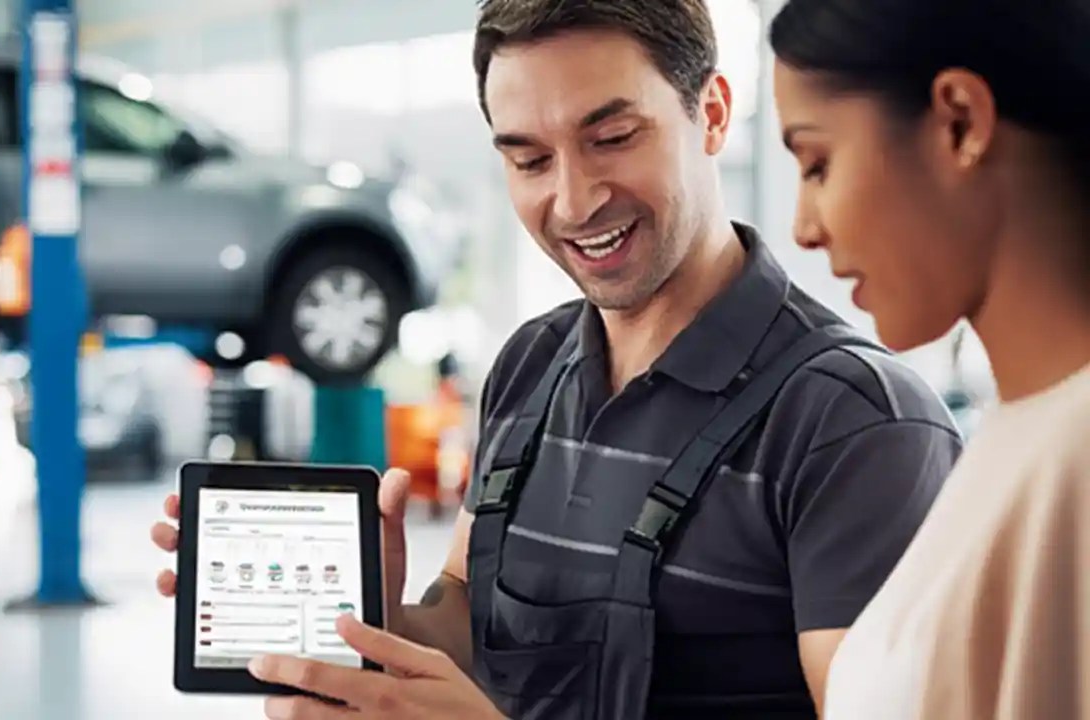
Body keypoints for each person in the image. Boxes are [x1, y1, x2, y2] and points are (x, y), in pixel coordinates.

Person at [152, 1, 965, 717]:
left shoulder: (856, 426)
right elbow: (476, 618)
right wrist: (369, 620)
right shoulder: (531, 366)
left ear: (712, 113)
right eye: (529, 160)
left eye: (611, 138)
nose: (573, 202)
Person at [769, 1, 1090, 718]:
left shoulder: (1075, 453)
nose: (804, 227)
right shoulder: (1018, 435)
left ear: (959, 123)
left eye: (818, 163)